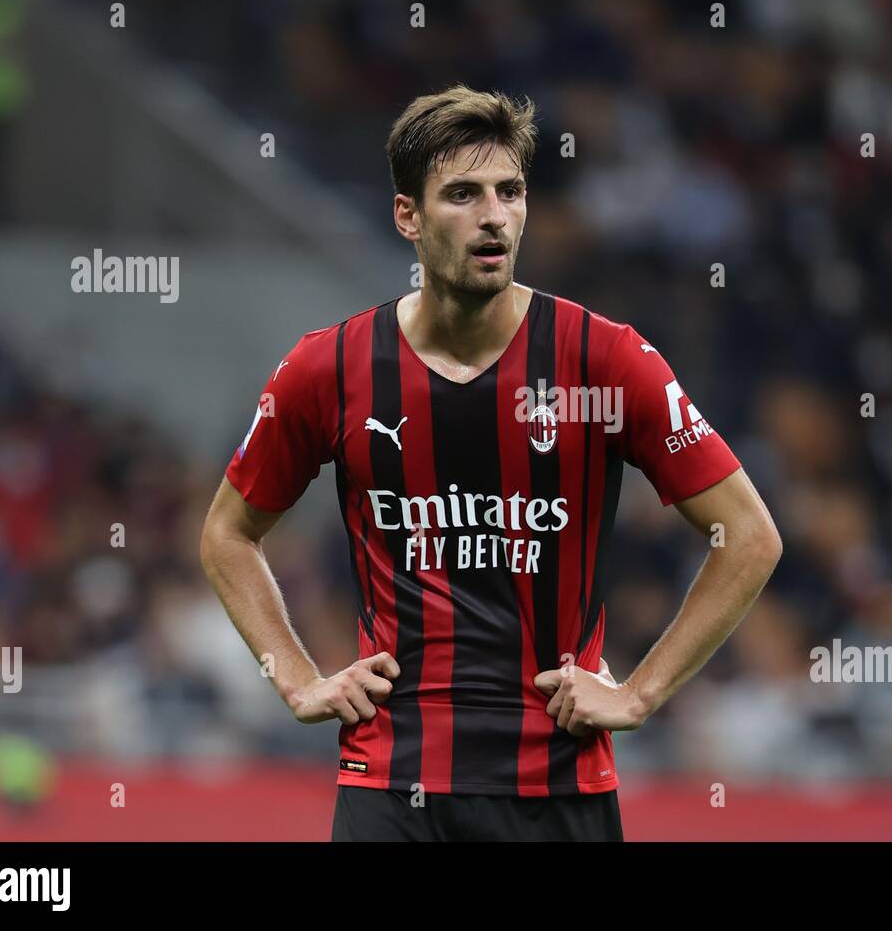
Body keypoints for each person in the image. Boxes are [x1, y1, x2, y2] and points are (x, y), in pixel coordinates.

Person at [199, 85, 782, 841]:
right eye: (463, 194)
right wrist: (295, 677)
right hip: (392, 786)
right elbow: (227, 533)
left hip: (556, 786)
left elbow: (748, 534)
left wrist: (641, 694)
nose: (494, 215)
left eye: (510, 192)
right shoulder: (327, 369)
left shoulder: (604, 360)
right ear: (408, 215)